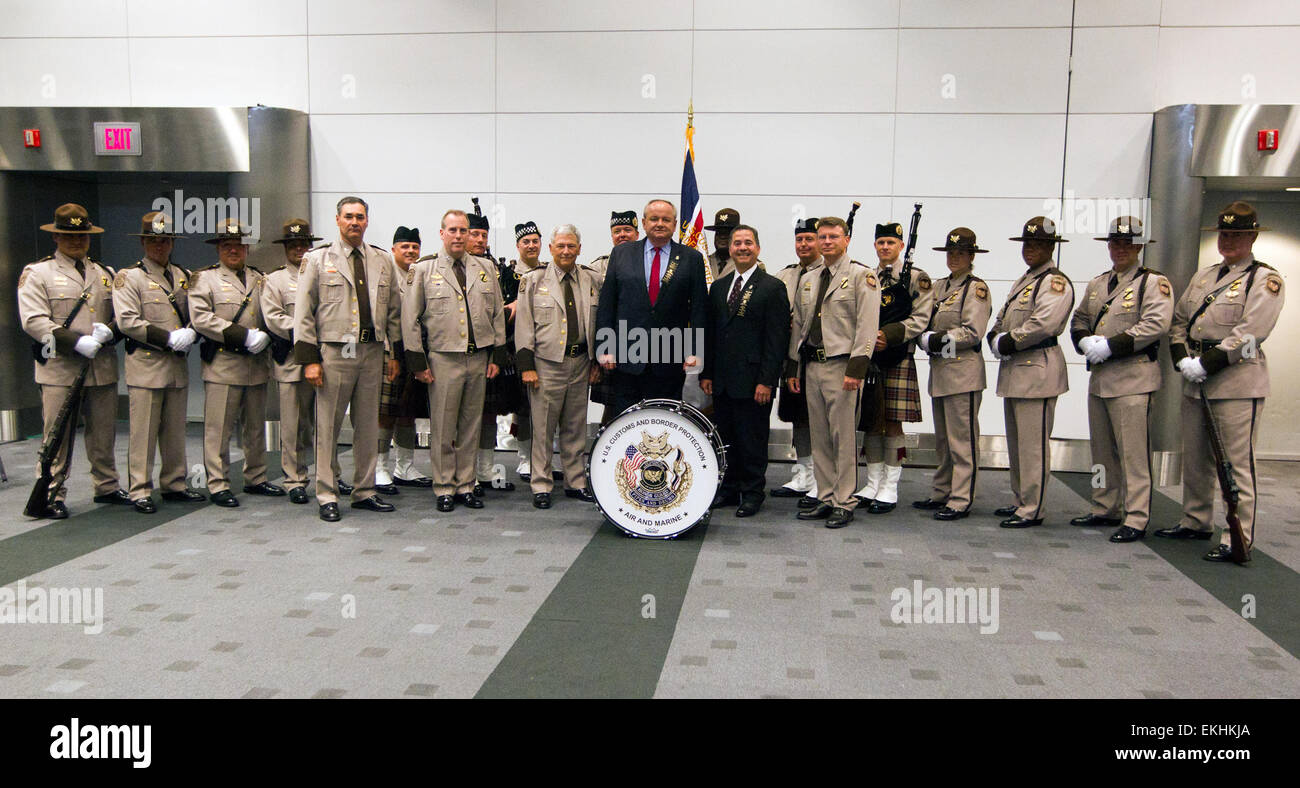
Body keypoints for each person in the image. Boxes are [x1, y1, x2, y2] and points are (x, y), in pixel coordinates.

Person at [1159, 201, 1285, 563]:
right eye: (1225, 234)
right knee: (1196, 459)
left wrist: (1208, 363)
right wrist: (1183, 359)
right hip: (1195, 379)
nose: (1229, 241)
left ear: (1253, 236)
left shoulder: (1264, 279)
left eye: (1238, 235)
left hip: (1236, 382)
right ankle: (1195, 520)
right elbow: (1180, 320)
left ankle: (1238, 536)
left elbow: (1252, 333)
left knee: (1235, 464)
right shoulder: (1205, 276)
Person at [292, 196, 402, 522]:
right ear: (338, 220)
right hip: (334, 353)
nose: (355, 222)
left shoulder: (382, 260)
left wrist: (393, 353)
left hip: (371, 353)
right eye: (349, 217)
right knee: (328, 427)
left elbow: (393, 312)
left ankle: (364, 491)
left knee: (368, 427)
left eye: (360, 217)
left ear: (367, 221)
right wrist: (310, 360)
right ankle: (327, 494)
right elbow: (303, 313)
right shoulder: (317, 259)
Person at [17, 203, 129, 518]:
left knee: (103, 432)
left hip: (100, 367)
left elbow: (122, 315)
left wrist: (109, 333)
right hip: (60, 368)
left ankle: (106, 485)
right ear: (56, 237)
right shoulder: (37, 273)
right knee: (58, 436)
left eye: (82, 235)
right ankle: (51, 494)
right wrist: (78, 342)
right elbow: (33, 321)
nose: (76, 241)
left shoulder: (104, 273)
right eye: (69, 235)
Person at [1068, 217, 1173, 543]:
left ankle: (1136, 515)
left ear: (1140, 246)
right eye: (1116, 243)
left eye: (1128, 243)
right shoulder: (1099, 283)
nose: (1121, 249)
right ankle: (1104, 506)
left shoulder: (1153, 283)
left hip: (1133, 378)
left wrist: (1110, 345)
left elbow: (1156, 324)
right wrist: (1085, 341)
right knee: (1102, 452)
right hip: (1101, 379)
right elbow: (1081, 317)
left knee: (1132, 453)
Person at [402, 209, 507, 513]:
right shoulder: (424, 270)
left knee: (471, 426)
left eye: (464, 230)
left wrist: (497, 355)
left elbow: (497, 313)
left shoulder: (485, 268)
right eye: (453, 230)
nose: (459, 236)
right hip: (443, 358)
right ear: (442, 233)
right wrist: (417, 362)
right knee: (445, 427)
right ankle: (445, 486)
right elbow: (410, 321)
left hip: (479, 357)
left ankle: (466, 484)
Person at [785, 216, 881, 528]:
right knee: (820, 437)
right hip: (812, 365)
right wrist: (794, 366)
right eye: (822, 237)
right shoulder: (810, 277)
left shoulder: (861, 276)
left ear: (847, 239)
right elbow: (799, 324)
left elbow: (867, 327)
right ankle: (825, 496)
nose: (826, 242)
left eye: (833, 237)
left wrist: (857, 369)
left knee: (843, 437)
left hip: (842, 367)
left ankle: (844, 500)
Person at [188, 219, 284, 507]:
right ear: (218, 248)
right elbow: (201, 319)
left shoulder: (259, 278)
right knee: (219, 429)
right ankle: (218, 484)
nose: (234, 250)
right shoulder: (203, 279)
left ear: (246, 248)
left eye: (239, 246)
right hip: (224, 364)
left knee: (255, 427)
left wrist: (266, 336)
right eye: (227, 245)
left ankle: (256, 477)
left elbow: (271, 312)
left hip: (256, 364)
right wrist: (242, 336)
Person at [113, 211, 205, 513]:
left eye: (165, 240)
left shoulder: (184, 276)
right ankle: (139, 489)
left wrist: (192, 332)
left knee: (175, 432)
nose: (159, 245)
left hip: (176, 368)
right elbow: (127, 321)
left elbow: (196, 314)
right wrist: (167, 339)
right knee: (143, 433)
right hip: (147, 365)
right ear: (143, 241)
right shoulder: (130, 278)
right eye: (153, 240)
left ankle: (175, 484)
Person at [987, 216, 1073, 528]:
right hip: (1017, 372)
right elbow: (1004, 315)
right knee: (1018, 443)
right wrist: (994, 335)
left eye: (1037, 245)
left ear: (1051, 247)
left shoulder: (1054, 282)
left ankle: (1032, 508)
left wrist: (1007, 342)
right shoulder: (1026, 279)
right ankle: (1021, 499)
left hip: (1037, 370)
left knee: (1033, 445)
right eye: (1027, 244)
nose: (1030, 250)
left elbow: (1044, 324)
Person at [701, 225, 790, 517]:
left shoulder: (772, 287)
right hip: (723, 381)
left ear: (758, 249)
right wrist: (708, 374)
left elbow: (776, 341)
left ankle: (752, 492)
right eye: (737, 243)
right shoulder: (718, 287)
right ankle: (728, 489)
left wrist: (767, 381)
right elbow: (712, 335)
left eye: (748, 243)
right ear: (730, 249)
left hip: (754, 382)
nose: (742, 247)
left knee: (752, 439)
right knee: (725, 438)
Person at [515, 224, 602, 509]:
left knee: (575, 426)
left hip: (580, 362)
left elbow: (597, 323)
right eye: (560, 246)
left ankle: (575, 481)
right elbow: (524, 325)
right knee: (543, 427)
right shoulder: (533, 280)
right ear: (550, 249)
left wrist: (596, 360)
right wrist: (527, 366)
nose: (566, 251)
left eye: (571, 246)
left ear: (579, 249)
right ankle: (540, 483)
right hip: (546, 364)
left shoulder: (591, 279)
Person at [595, 199, 708, 415]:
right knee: (626, 423)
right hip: (626, 357)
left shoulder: (691, 258)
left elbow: (699, 309)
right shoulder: (622, 254)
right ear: (644, 223)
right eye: (654, 219)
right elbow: (608, 303)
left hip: (669, 358)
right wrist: (605, 347)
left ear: (675, 224)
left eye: (666, 219)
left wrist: (695, 351)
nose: (659, 223)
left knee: (664, 422)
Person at [912, 228, 991, 520]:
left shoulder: (976, 289)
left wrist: (934, 340)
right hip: (942, 371)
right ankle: (942, 491)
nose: (954, 257)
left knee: (962, 440)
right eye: (951, 252)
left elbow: (972, 333)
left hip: (964, 372)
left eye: (961, 253)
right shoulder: (940, 285)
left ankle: (961, 498)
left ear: (971, 256)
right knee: (944, 440)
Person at [855, 220, 934, 513]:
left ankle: (890, 486)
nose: (885, 247)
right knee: (871, 420)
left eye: (891, 242)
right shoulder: (868, 276)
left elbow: (921, 317)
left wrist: (888, 335)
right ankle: (873, 482)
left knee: (892, 422)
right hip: (869, 357)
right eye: (881, 242)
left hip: (897, 355)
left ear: (901, 246)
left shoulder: (916, 277)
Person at [261, 218, 335, 504]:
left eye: (303, 244)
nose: (299, 249)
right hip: (292, 362)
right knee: (293, 427)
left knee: (325, 424)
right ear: (285, 249)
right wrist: (307, 331)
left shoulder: (324, 274)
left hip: (326, 361)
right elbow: (274, 319)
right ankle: (295, 478)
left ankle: (327, 475)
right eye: (293, 245)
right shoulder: (274, 280)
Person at [375, 225, 433, 495]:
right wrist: (390, 352)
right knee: (386, 412)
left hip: (417, 353)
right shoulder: (385, 276)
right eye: (405, 247)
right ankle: (379, 467)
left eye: (414, 247)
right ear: (394, 249)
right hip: (391, 352)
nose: (411, 251)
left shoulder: (421, 274)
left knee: (408, 410)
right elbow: (384, 318)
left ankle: (405, 466)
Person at [467, 210, 521, 492]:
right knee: (462, 417)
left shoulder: (494, 269)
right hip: (458, 353)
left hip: (489, 353)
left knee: (487, 413)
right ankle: (463, 474)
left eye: (483, 235)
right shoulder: (450, 266)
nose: (479, 240)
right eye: (474, 234)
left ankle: (486, 469)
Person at [772, 217, 821, 504]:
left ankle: (822, 478)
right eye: (799, 239)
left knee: (818, 419)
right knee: (798, 418)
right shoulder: (784, 275)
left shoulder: (827, 274)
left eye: (809, 239)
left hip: (816, 358)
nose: (803, 244)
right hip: (789, 358)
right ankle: (804, 475)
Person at [587, 210, 640, 424]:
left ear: (637, 233)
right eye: (617, 231)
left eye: (628, 230)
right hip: (611, 346)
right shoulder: (598, 267)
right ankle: (606, 451)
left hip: (641, 344)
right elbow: (593, 313)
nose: (622, 235)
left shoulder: (647, 262)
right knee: (612, 406)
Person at [704, 208, 740, 281]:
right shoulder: (703, 263)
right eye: (719, 232)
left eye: (727, 233)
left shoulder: (748, 265)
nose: (722, 237)